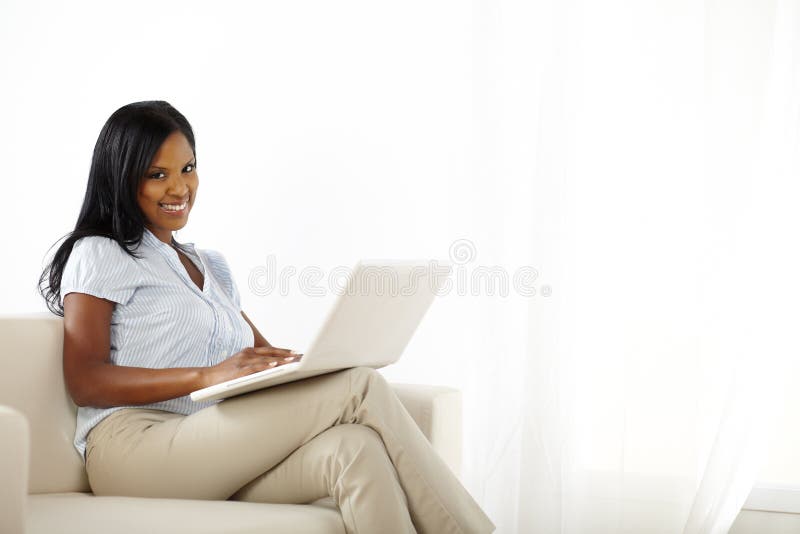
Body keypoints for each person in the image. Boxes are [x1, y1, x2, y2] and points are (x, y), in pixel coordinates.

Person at [38, 101, 495, 534]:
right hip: (131, 449)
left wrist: (313, 365)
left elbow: (260, 358)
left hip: (210, 444)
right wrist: (206, 375)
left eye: (188, 168)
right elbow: (84, 379)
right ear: (121, 180)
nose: (179, 189)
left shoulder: (210, 265)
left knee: (356, 450)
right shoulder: (101, 252)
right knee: (361, 386)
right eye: (157, 175)